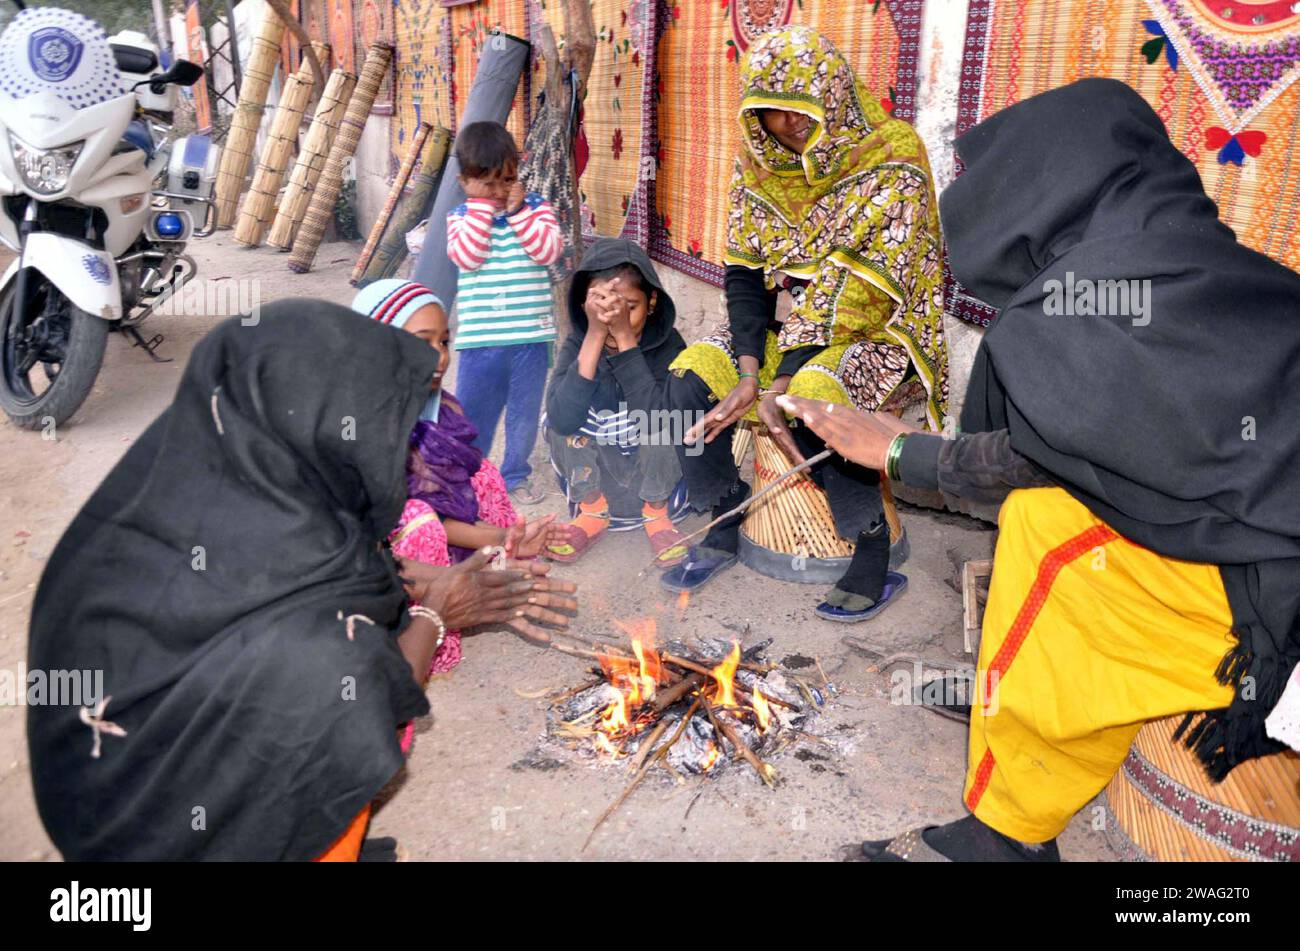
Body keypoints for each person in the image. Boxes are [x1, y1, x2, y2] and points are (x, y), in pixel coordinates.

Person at [779, 78, 1300, 861]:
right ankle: (1011, 686)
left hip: (1269, 607)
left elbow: (1028, 462)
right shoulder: (1212, 267)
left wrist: (893, 448)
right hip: (1266, 547)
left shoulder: (1087, 304)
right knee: (1057, 523)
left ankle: (1008, 833)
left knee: (1053, 539)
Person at [26, 301, 578, 861]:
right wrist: (437, 617)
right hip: (148, 836)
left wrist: (468, 574)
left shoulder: (192, 490)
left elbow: (352, 569)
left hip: (96, 795)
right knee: (353, 698)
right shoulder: (303, 648)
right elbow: (357, 692)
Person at [661, 26, 948, 623]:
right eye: (771, 114)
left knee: (814, 398)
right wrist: (746, 371)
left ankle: (870, 545)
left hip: (880, 329)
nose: (788, 127)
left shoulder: (891, 154)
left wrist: (780, 383)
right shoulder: (760, 167)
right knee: (688, 382)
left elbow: (863, 287)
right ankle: (724, 507)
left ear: (834, 96)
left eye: (801, 111)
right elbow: (744, 274)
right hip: (794, 330)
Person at [351, 279, 572, 673]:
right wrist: (495, 541)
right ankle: (411, 634)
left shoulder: (436, 406)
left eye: (444, 342)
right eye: (423, 342)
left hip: (407, 541)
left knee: (483, 474)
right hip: (361, 565)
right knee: (419, 523)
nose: (439, 358)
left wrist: (507, 540)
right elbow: (424, 517)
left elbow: (449, 502)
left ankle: (477, 585)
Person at [542, 238, 690, 566]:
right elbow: (563, 419)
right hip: (599, 471)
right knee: (555, 415)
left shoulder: (670, 346)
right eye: (602, 307)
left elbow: (657, 422)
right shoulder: (580, 340)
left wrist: (625, 341)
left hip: (653, 472)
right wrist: (595, 335)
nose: (614, 317)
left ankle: (656, 514)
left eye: (628, 307)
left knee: (673, 418)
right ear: (585, 306)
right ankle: (593, 511)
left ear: (652, 302)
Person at [446, 120, 563, 506]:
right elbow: (469, 255)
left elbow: (548, 252)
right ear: (465, 182)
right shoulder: (460, 218)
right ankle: (472, 478)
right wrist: (483, 212)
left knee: (523, 416)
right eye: (487, 184)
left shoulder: (535, 209)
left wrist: (517, 214)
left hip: (530, 337)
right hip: (481, 342)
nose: (499, 192)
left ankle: (515, 475)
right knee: (475, 415)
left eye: (507, 180)